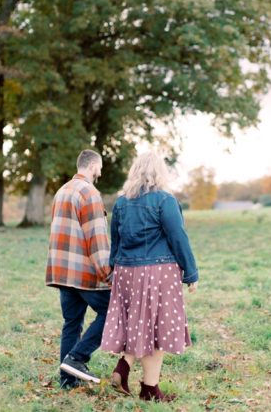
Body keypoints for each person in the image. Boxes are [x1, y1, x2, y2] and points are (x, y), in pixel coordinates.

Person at [101, 151, 199, 402]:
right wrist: (191, 272)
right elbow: (178, 237)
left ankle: (136, 377)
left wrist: (113, 268)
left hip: (125, 271)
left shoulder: (121, 203)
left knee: (140, 325)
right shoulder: (164, 201)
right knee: (158, 328)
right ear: (160, 173)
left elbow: (116, 240)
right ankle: (148, 387)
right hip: (158, 271)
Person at [46, 149, 112, 388]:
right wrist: (108, 275)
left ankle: (67, 380)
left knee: (71, 323)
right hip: (84, 273)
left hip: (62, 272)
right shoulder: (90, 193)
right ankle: (77, 358)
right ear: (93, 166)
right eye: (100, 167)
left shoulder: (61, 191)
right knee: (113, 312)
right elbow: (97, 239)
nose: (101, 172)